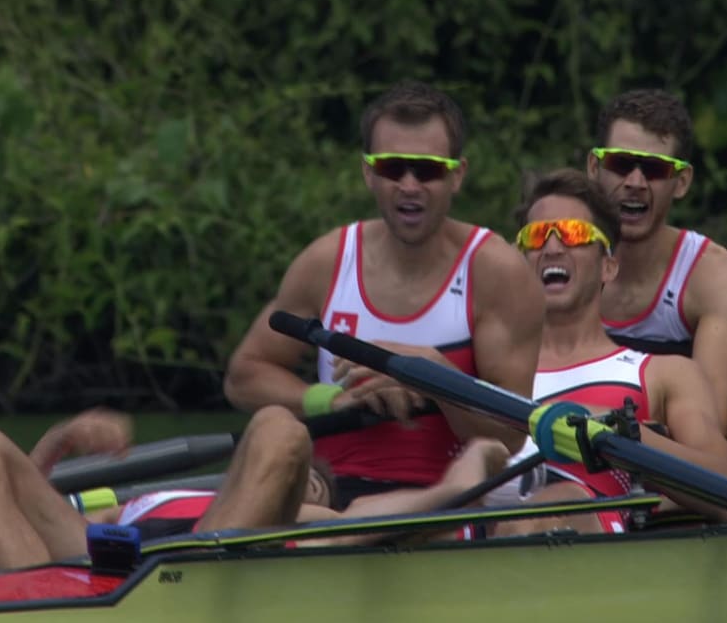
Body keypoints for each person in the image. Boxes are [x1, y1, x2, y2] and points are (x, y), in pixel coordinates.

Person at [223, 80, 545, 509]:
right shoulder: (326, 261)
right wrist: (327, 399)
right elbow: (244, 375)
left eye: (427, 170)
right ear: (368, 174)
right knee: (272, 428)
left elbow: (510, 433)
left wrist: (435, 379)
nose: (409, 185)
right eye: (393, 168)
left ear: (457, 175)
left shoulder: (497, 272)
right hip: (329, 493)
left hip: (444, 500)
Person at [0, 406, 510, 571]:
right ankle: (34, 607)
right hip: (87, 568)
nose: (300, 482)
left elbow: (442, 500)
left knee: (280, 427)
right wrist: (58, 441)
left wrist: (483, 453)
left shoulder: (331, 520)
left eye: (309, 482)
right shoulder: (136, 505)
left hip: (204, 574)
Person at [493, 169, 727, 537]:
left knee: (549, 509)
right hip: (481, 522)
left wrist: (618, 432)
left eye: (574, 234)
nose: (553, 248)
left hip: (583, 527)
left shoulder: (663, 374)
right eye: (537, 236)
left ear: (608, 266)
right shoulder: (483, 367)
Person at [586, 89, 727, 490]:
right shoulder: (553, 253)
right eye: (621, 164)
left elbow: (709, 423)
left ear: (681, 182)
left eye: (654, 170)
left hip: (679, 472)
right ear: (594, 168)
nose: (635, 183)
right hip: (582, 448)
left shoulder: (716, 275)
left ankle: (708, 518)